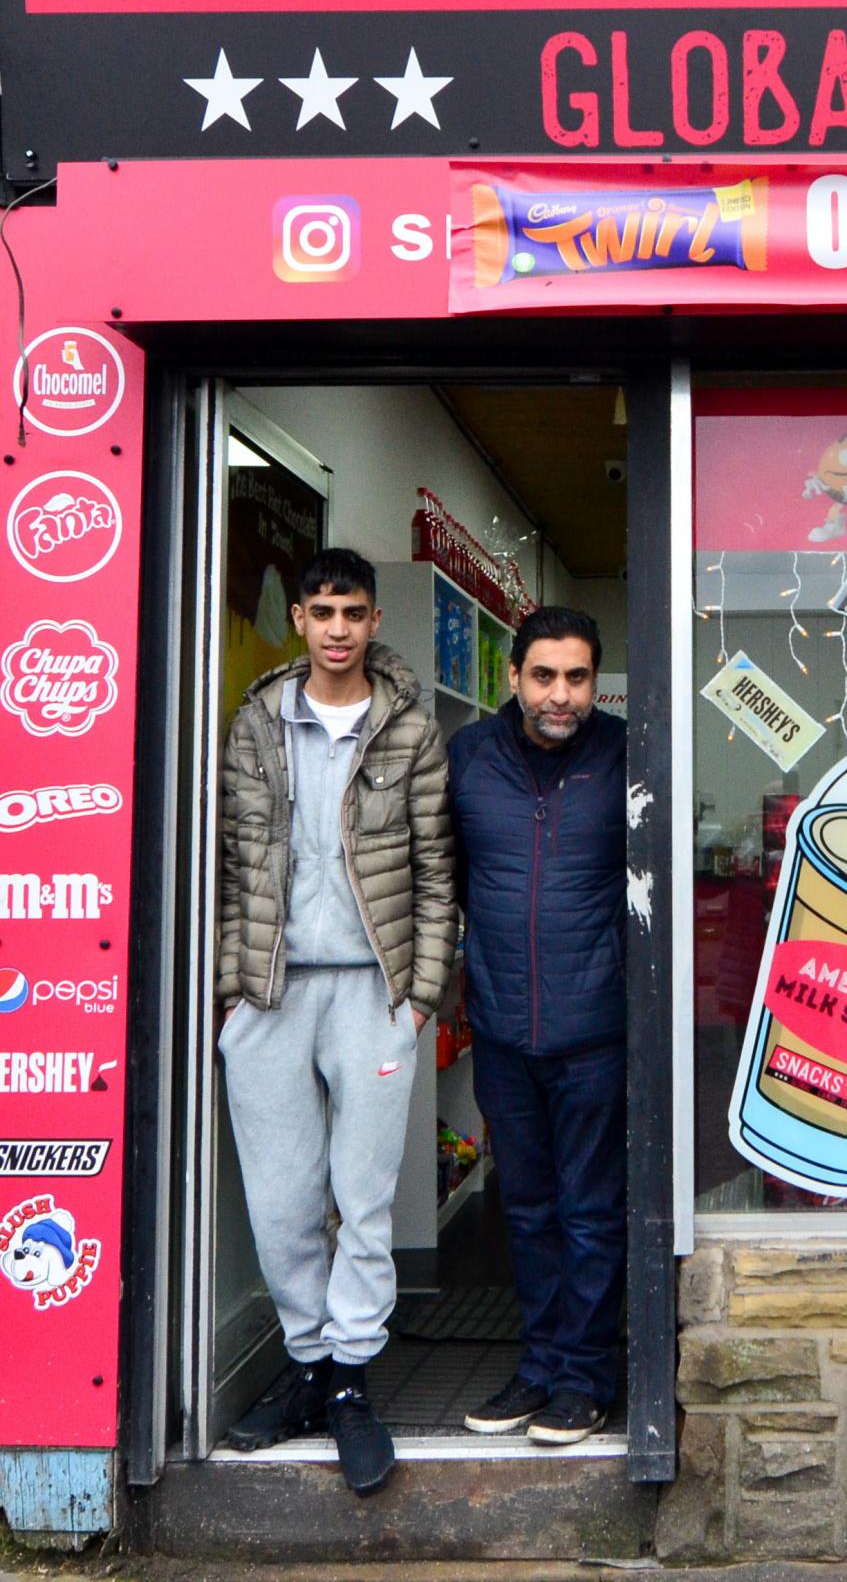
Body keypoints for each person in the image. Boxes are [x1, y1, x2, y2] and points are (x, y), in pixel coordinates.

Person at [216, 548, 456, 1496]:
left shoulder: (411, 727)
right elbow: (230, 861)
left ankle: (347, 1379)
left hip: (372, 990)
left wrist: (420, 992)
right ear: (303, 621)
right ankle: (311, 1363)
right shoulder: (257, 723)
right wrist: (231, 989)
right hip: (270, 990)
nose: (337, 628)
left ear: (374, 616)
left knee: (364, 1198)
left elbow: (438, 868)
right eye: (321, 611)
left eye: (352, 611)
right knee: (281, 1205)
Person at [445, 607, 628, 1447]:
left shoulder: (628, 753)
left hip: (595, 1024)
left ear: (596, 681)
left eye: (578, 677)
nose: (562, 695)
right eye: (545, 675)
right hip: (503, 1028)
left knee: (591, 1207)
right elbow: (438, 876)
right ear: (513, 676)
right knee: (526, 1207)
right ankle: (540, 1363)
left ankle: (586, 1375)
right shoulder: (468, 759)